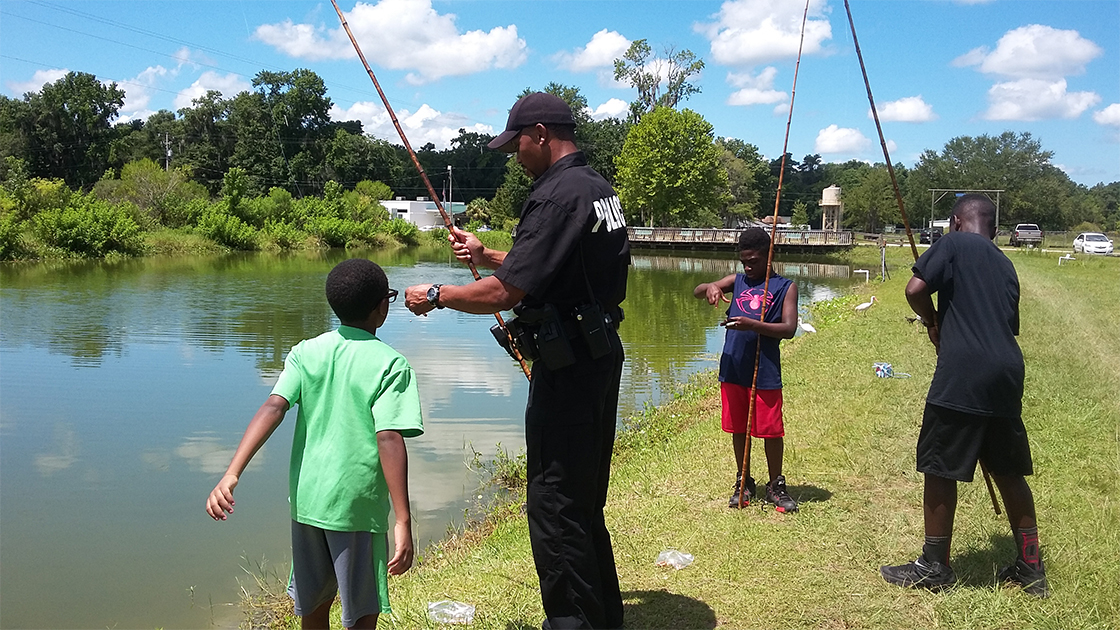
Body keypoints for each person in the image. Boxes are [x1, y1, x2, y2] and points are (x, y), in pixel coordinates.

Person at [404, 91, 629, 630]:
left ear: (542, 133)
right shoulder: (596, 188)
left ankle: (572, 621)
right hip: (598, 357)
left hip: (570, 367)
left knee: (555, 505)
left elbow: (505, 293)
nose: (514, 155)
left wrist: (437, 294)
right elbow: (553, 263)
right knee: (582, 499)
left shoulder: (554, 195)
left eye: (517, 144)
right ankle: (604, 618)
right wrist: (486, 256)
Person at [206, 258, 424, 628]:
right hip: (356, 509)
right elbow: (388, 437)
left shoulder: (306, 351)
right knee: (360, 613)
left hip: (307, 501)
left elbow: (273, 407)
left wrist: (232, 472)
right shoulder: (391, 364)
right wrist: (402, 519)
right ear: (382, 307)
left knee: (314, 606)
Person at [880, 194, 1048, 597]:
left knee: (939, 465)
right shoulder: (1006, 266)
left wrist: (932, 320)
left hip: (964, 374)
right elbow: (1002, 323)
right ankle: (1031, 567)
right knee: (1009, 471)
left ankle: (934, 566)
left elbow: (915, 288)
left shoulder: (953, 243)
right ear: (993, 228)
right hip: (1007, 372)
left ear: (956, 222)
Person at [693, 227, 800, 513]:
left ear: (769, 255)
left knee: (771, 429)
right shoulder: (737, 280)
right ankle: (744, 480)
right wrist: (711, 287)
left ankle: (776, 485)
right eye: (744, 261)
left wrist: (752, 325)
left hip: (764, 371)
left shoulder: (784, 287)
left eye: (754, 260)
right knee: (739, 428)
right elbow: (698, 290)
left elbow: (788, 329)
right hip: (733, 367)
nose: (748, 266)